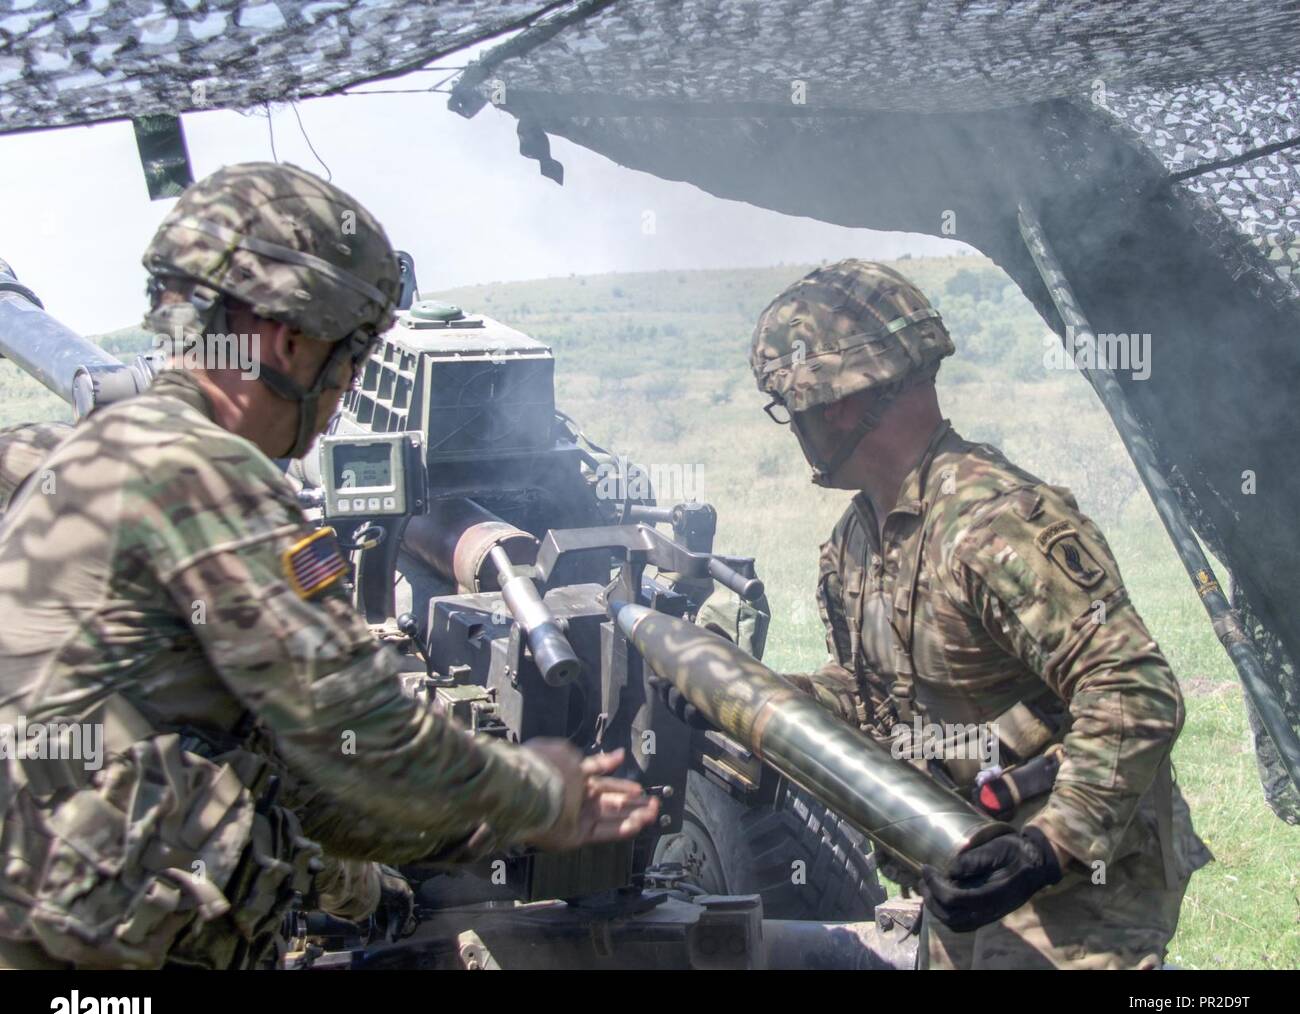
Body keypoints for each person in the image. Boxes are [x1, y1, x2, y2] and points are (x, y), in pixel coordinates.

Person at [0, 162, 657, 970]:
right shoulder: (206, 474)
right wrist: (536, 793)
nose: (342, 395)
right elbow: (360, 732)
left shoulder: (85, 459)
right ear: (288, 342)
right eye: (347, 363)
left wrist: (437, 844)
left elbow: (292, 770)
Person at [751, 259, 1210, 969]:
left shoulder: (996, 524)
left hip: (1076, 891)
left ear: (834, 402)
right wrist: (755, 699)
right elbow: (876, 698)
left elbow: (1131, 688)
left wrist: (1045, 846)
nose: (798, 428)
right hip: (965, 872)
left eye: (792, 406)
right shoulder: (858, 539)